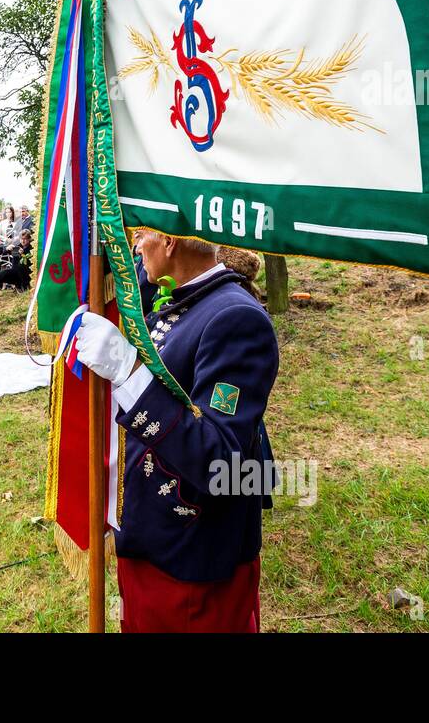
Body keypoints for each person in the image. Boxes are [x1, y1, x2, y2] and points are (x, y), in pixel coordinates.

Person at [72, 230, 278, 633]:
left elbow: (222, 463)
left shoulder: (235, 317)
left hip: (191, 563)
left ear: (169, 241)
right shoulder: (183, 300)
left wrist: (130, 372)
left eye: (143, 234)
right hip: (154, 538)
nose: (136, 245)